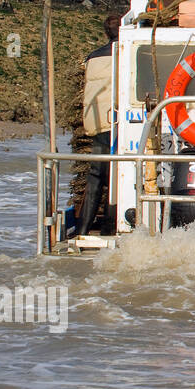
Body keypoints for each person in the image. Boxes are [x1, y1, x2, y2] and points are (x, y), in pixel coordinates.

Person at [74, 14, 119, 236]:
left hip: (97, 121)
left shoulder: (92, 58)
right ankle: (110, 228)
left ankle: (82, 228)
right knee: (116, 176)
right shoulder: (125, 54)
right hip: (117, 122)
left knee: (95, 176)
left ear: (105, 33)